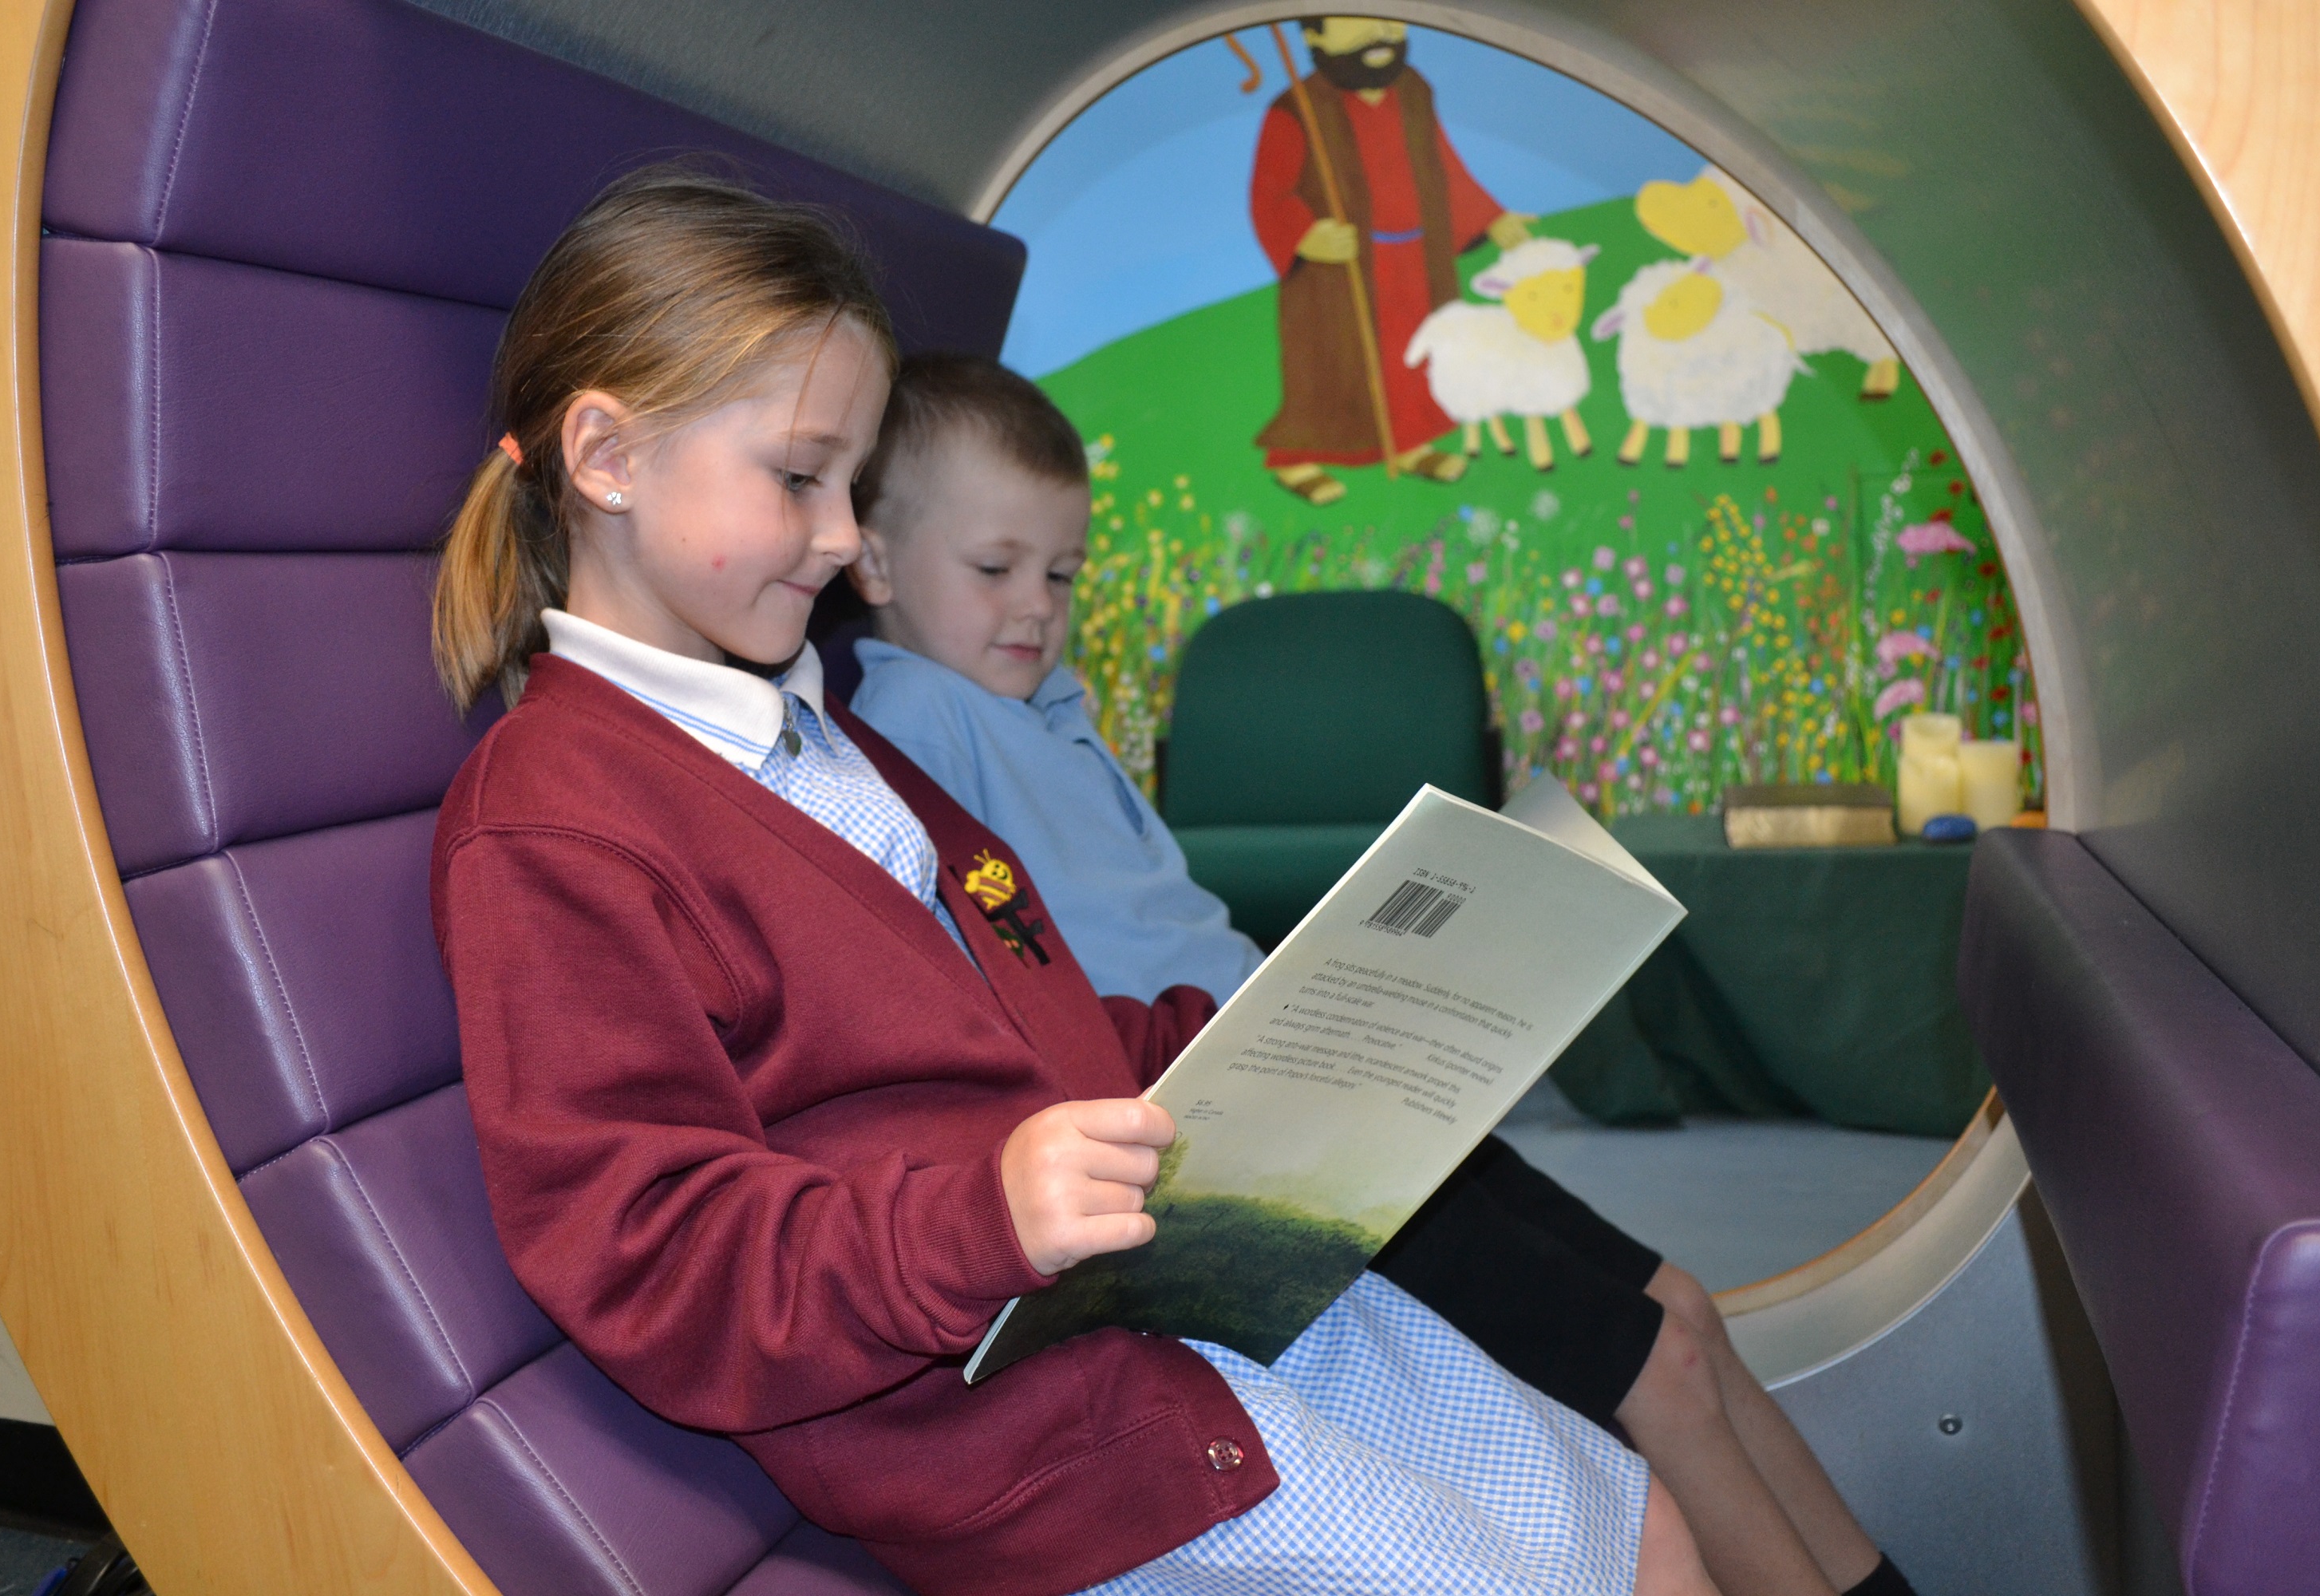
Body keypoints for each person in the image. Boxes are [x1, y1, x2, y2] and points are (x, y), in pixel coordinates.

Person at [429, 167, 1717, 1596]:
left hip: (1175, 1297)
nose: (847, 540)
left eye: (851, 489)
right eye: (801, 480)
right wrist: (984, 1216)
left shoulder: (819, 735)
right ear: (607, 458)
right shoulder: (553, 822)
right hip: (1035, 1439)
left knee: (1642, 1526)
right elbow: (656, 1253)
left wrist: (1269, 1038)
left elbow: (1015, 1016)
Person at [848, 352, 1920, 1596]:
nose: (1035, 606)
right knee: (1655, 1369)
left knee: (1682, 1310)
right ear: (871, 562)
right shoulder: (909, 724)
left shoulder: (1050, 707)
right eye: (994, 570)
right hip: (1248, 1139)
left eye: (1063, 574)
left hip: (1332, 1084)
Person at [1250, 16, 1534, 504]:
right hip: (1338, 272)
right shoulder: (1296, 109)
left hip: (1415, 257)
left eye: (1387, 20)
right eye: (1356, 23)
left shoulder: (1415, 91)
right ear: (1314, 36)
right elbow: (1269, 191)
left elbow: (1444, 166)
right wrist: (1305, 235)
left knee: (1411, 357)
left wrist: (1489, 218)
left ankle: (1408, 446)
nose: (1377, 34)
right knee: (1331, 364)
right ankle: (1295, 460)